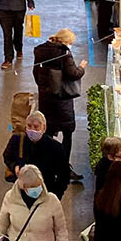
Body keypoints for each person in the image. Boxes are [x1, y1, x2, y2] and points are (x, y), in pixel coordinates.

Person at [32, 29, 87, 182]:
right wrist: (82, 67)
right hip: (62, 102)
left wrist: (44, 88)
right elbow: (73, 74)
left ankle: (46, 166)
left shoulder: (40, 50)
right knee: (67, 134)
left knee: (47, 133)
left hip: (46, 99)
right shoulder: (64, 54)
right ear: (66, 41)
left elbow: (35, 72)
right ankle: (64, 168)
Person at [0, 165, 70, 241]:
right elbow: (1, 227)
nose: (37, 189)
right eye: (32, 186)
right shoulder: (10, 198)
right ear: (23, 186)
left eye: (39, 185)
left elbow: (61, 231)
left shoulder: (52, 200)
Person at [2, 111, 71, 198]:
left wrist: (56, 195)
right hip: (22, 192)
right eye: (29, 126)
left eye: (36, 127)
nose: (32, 130)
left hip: (46, 192)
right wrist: (14, 166)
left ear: (44, 128)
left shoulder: (55, 147)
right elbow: (7, 156)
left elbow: (64, 175)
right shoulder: (17, 140)